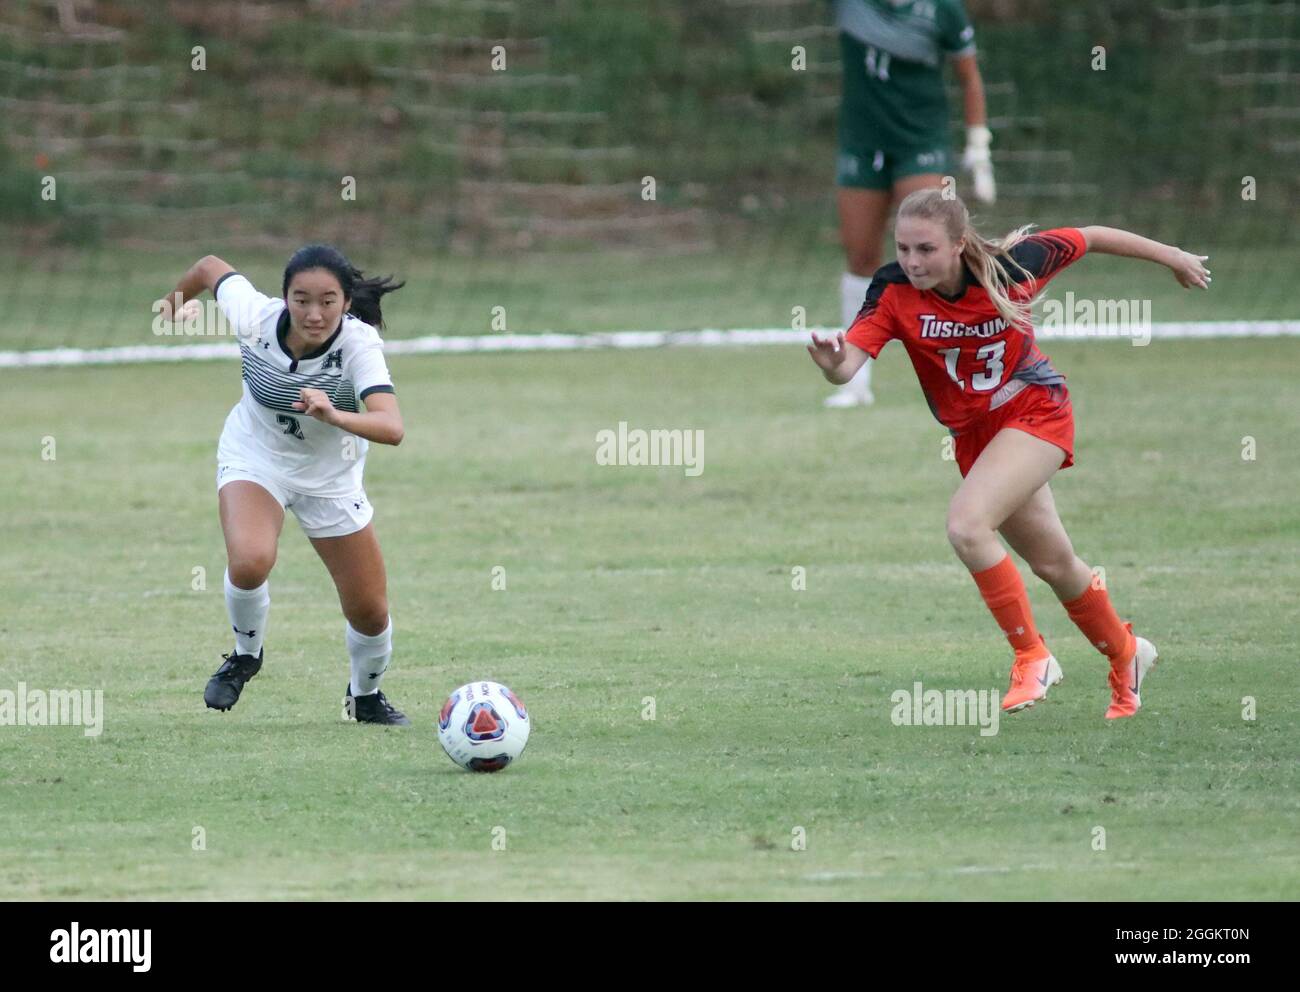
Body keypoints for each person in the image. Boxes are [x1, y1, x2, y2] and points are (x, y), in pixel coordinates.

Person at [807, 188, 1211, 718]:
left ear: (958, 244)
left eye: (925, 249)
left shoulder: (1013, 267)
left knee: (967, 526)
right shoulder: (892, 289)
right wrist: (830, 362)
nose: (912, 261)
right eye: (903, 248)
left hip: (1033, 409)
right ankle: (1128, 653)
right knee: (1053, 562)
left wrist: (1174, 257)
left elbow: (1091, 236)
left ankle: (1032, 655)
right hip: (976, 436)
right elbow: (847, 367)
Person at [152, 245, 411, 724]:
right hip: (256, 456)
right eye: (302, 299)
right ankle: (245, 655)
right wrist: (175, 300)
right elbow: (210, 267)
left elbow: (392, 427)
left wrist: (333, 412)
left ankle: (365, 697)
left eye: (328, 301)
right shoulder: (254, 317)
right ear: (285, 297)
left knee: (370, 613)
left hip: (331, 479)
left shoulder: (358, 345)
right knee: (250, 560)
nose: (315, 313)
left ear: (347, 302)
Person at [826, 0, 995, 408]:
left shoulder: (942, 10)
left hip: (921, 143)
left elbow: (968, 77)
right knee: (861, 256)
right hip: (862, 144)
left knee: (937, 250)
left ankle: (971, 361)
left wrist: (978, 144)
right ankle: (856, 380)